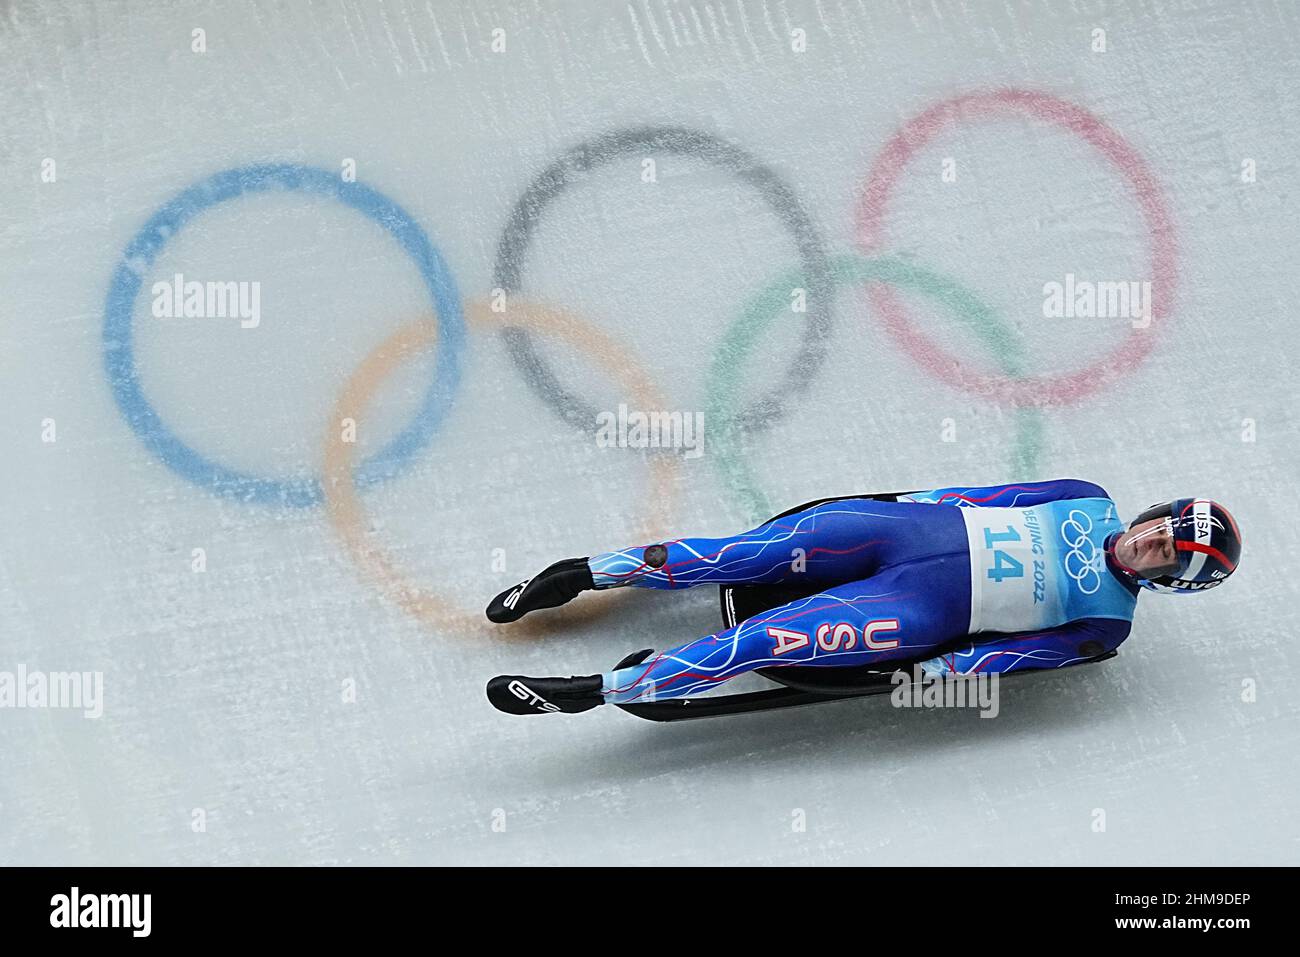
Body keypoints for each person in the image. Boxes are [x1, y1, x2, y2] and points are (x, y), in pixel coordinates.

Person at [484, 479, 1242, 716]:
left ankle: (594, 690)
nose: (1155, 542)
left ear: (1169, 579)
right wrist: (906, 501)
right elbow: (985, 493)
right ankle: (580, 573)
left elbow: (1014, 654)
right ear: (1156, 511)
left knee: (760, 643)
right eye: (1167, 527)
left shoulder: (1107, 625)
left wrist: (934, 676)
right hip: (897, 532)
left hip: (916, 614)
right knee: (748, 552)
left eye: (1171, 553)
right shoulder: (1086, 496)